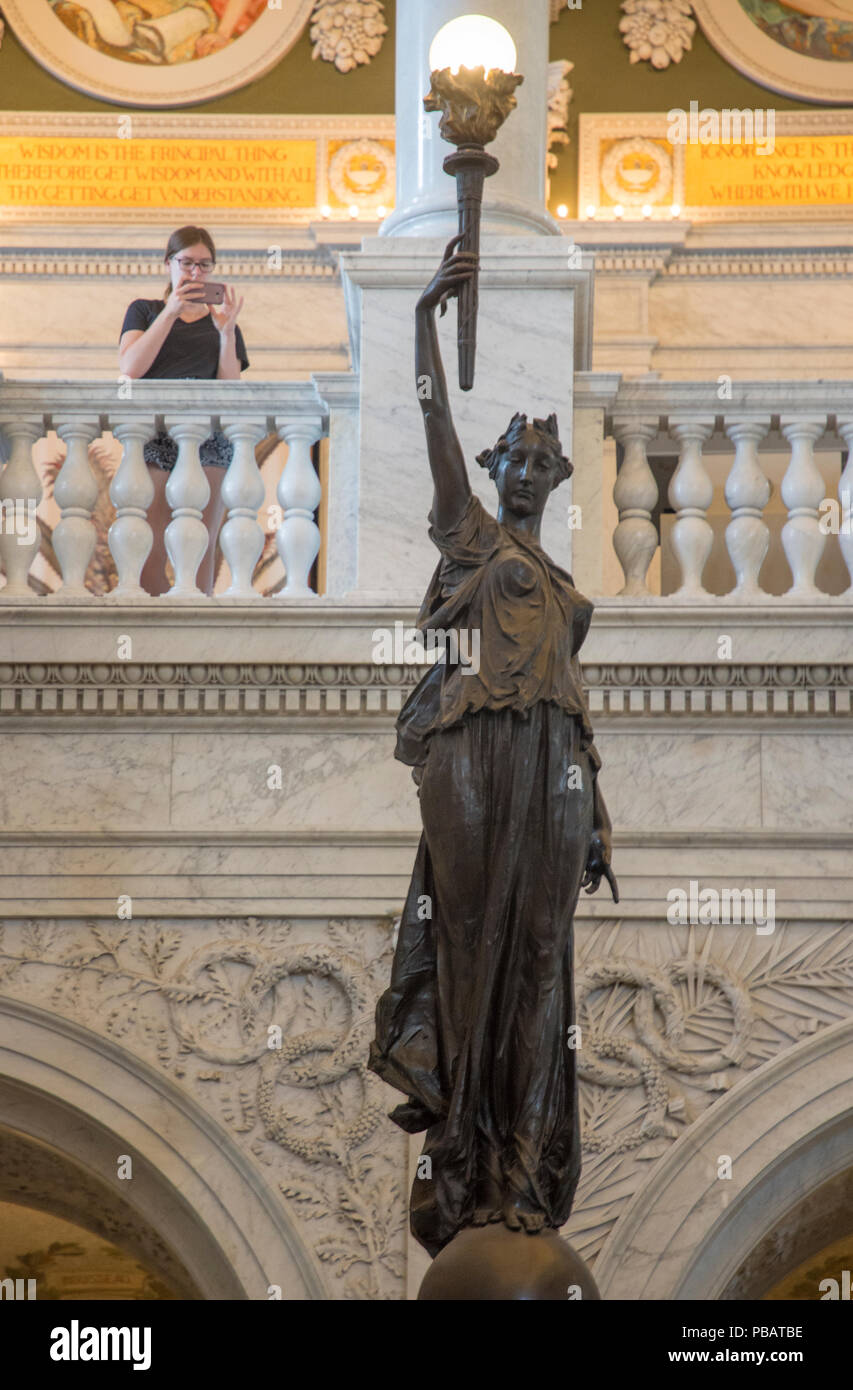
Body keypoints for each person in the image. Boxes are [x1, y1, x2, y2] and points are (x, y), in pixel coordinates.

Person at [368, 235, 618, 1258]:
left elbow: (574, 701)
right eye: (509, 457)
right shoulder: (473, 541)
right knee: (474, 950)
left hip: (555, 764)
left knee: (540, 962)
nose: (522, 471)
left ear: (555, 477)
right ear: (494, 469)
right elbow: (434, 420)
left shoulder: (559, 588)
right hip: (477, 753)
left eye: (536, 463)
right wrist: (424, 321)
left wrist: (596, 810)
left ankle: (522, 1163)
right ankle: (464, 1160)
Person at [118, 225, 247, 596]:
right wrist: (171, 311)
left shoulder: (222, 321)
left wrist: (226, 334)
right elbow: (131, 368)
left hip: (208, 437)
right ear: (168, 264)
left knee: (200, 549)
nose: (195, 272)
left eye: (204, 265)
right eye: (187, 262)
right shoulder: (145, 311)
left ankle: (199, 637)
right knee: (149, 548)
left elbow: (230, 390)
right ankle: (159, 633)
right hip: (156, 435)